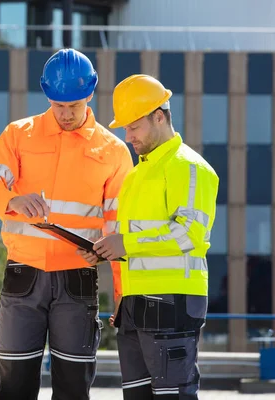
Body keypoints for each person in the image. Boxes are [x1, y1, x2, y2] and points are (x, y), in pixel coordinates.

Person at [0, 48, 133, 400]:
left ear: (90, 94)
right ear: (47, 96)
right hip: (23, 274)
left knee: (74, 387)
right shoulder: (19, 135)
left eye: (74, 105)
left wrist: (121, 292)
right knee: (14, 384)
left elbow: (119, 228)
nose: (65, 114)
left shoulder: (114, 151)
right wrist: (11, 200)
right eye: (58, 105)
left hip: (77, 279)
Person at [79, 74, 219, 400]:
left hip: (173, 303)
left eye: (134, 127)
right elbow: (139, 240)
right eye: (125, 129)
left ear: (160, 116)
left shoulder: (189, 167)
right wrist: (108, 251)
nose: (128, 137)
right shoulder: (137, 173)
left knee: (174, 396)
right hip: (135, 307)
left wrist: (125, 243)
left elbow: (189, 234)